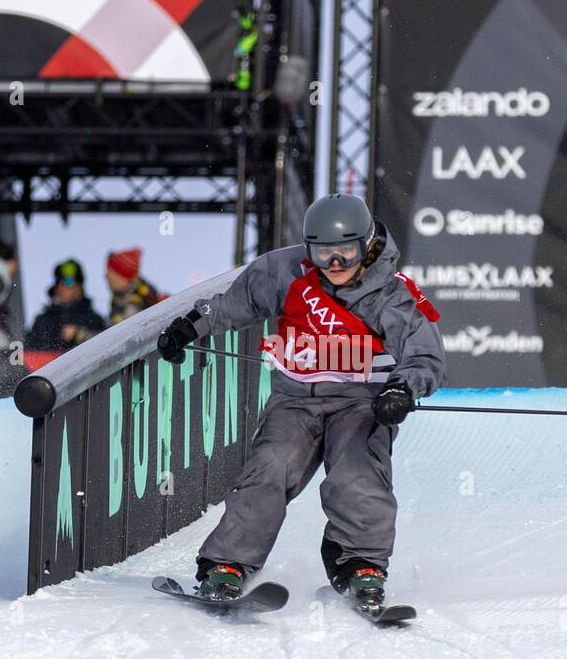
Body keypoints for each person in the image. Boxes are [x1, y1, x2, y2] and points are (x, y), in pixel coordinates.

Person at [156, 193, 446, 609]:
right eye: (324, 253)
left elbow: (425, 354)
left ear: (367, 245)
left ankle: (361, 565)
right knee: (271, 466)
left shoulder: (392, 293)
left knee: (357, 474)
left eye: (347, 252)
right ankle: (228, 565)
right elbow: (233, 305)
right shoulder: (286, 271)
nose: (335, 264)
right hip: (295, 399)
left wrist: (402, 389)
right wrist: (189, 328)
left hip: (361, 402)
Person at [27, 259, 108, 351]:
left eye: (68, 282)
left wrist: (79, 335)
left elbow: (104, 348)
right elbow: (30, 352)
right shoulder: (42, 322)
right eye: (58, 281)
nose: (62, 287)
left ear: (80, 287)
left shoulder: (93, 320)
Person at [106, 248, 164, 326]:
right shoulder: (125, 296)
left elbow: (121, 332)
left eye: (111, 275)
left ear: (124, 277)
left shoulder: (131, 307)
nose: (106, 277)